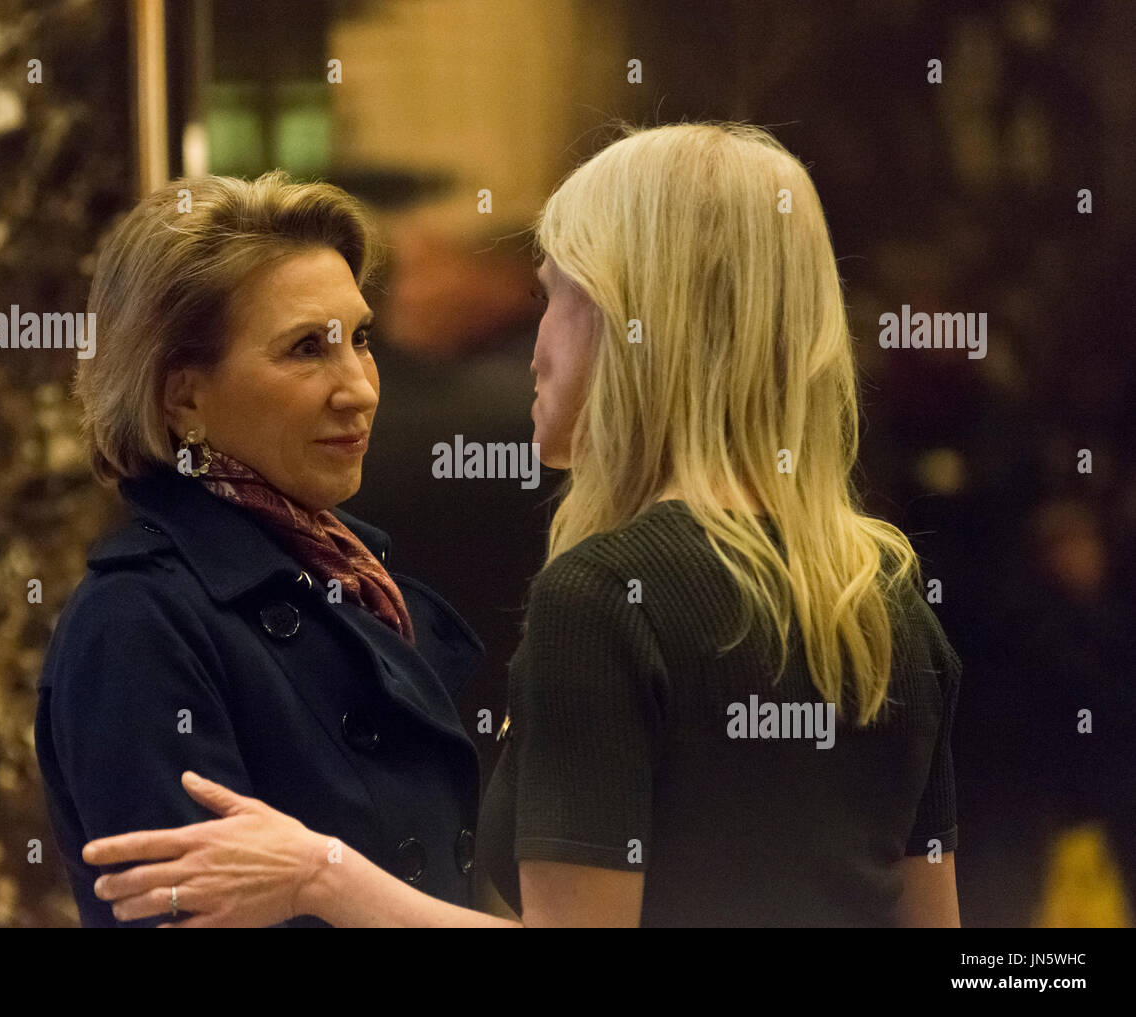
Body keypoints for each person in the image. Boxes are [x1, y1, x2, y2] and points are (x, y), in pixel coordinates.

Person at [84, 122, 963, 927]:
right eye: (310, 346)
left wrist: (324, 873)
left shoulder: (605, 598)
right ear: (183, 393)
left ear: (633, 327)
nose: (532, 347)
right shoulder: (884, 596)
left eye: (556, 300)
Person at [35, 171, 485, 928]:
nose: (360, 389)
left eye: (361, 339)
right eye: (307, 348)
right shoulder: (137, 624)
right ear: (184, 398)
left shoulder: (351, 577)